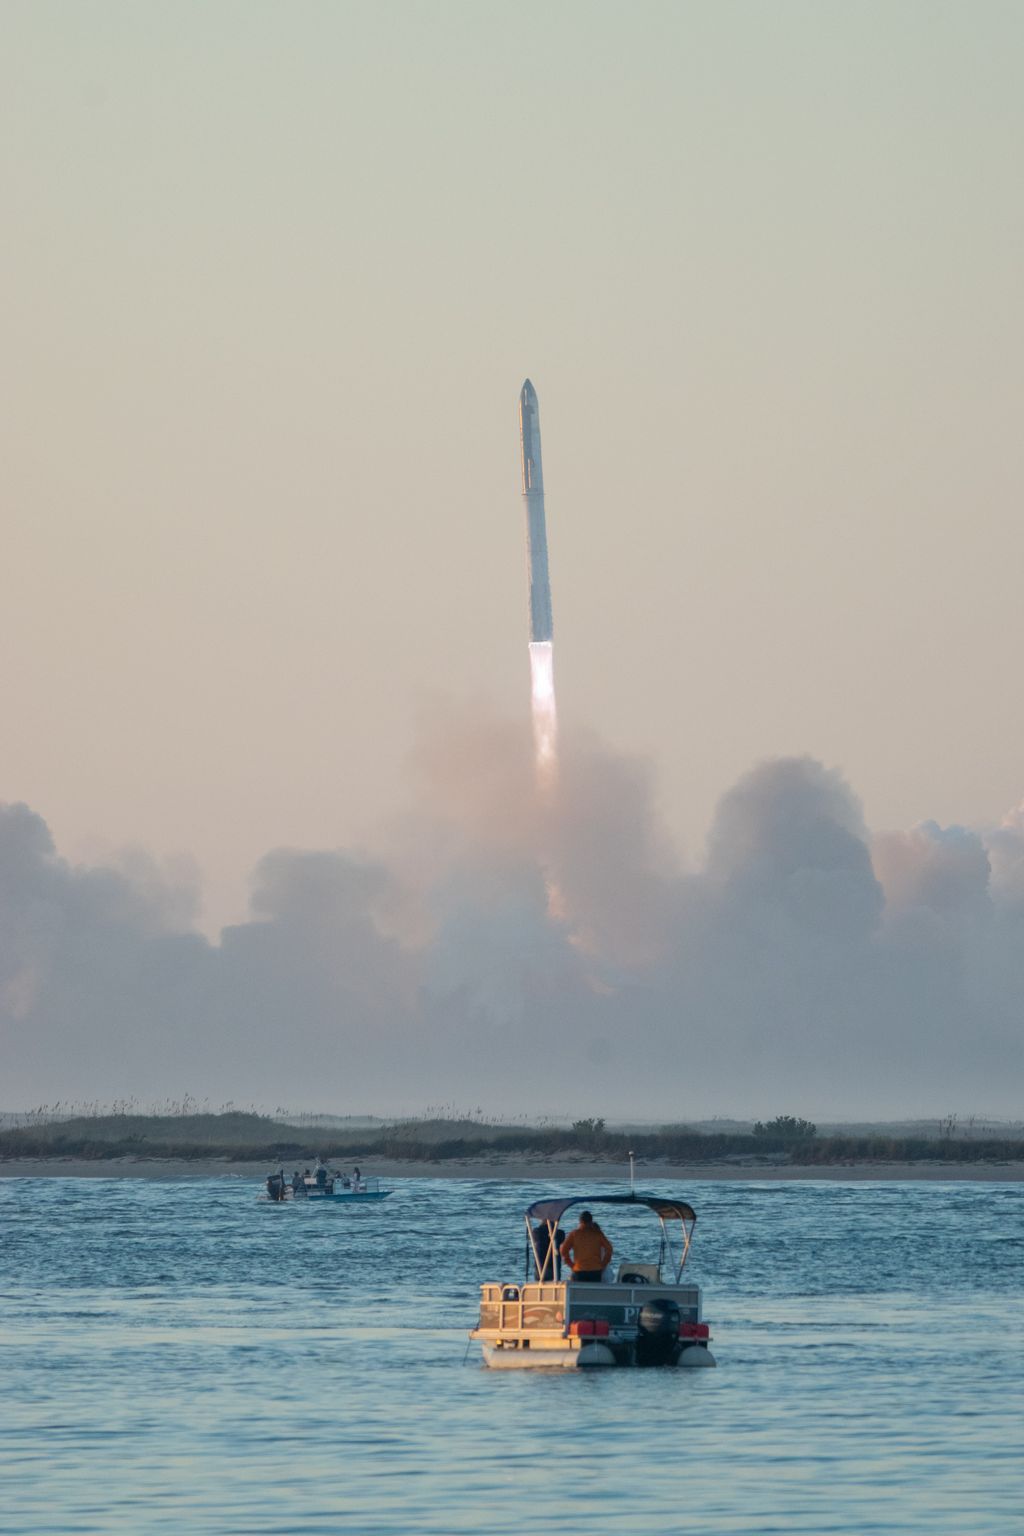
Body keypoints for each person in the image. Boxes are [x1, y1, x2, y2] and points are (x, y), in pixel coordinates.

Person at [559, 1210, 612, 1283]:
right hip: (595, 1270)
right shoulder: (597, 1234)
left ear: (580, 1221)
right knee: (593, 1290)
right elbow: (609, 1249)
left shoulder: (574, 1234)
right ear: (591, 1221)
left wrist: (571, 1264)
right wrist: (603, 1264)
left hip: (579, 1269)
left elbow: (563, 1250)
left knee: (579, 1289)